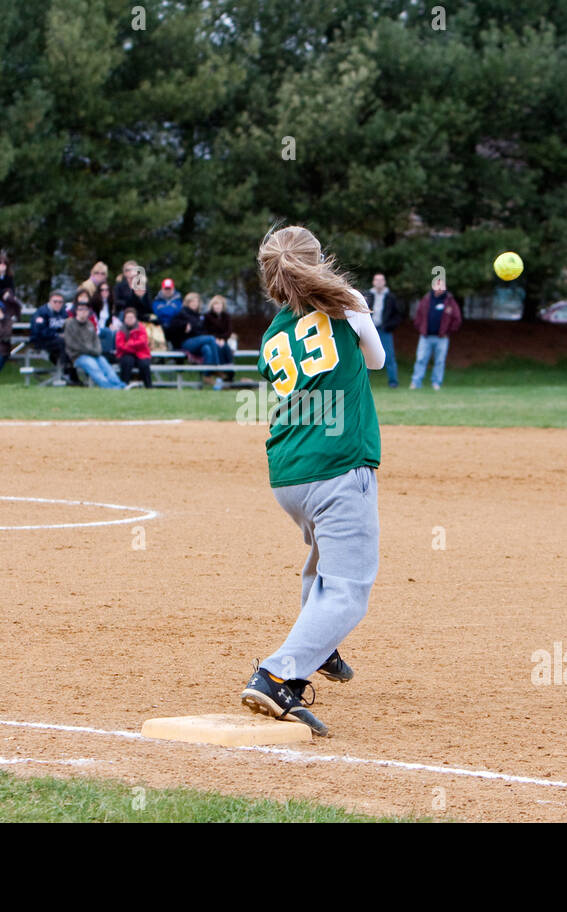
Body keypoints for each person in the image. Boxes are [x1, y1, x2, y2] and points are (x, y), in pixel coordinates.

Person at [239, 226, 386, 737]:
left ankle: (319, 645)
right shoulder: (345, 304)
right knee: (348, 588)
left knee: (324, 561)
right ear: (318, 264)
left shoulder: (272, 334)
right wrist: (359, 308)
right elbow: (377, 361)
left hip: (289, 474)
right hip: (340, 465)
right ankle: (280, 675)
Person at [410, 275, 462, 390]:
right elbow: (418, 316)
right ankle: (416, 382)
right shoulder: (426, 299)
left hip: (442, 338)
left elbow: (457, 318)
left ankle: (436, 383)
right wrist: (421, 328)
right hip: (425, 337)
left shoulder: (450, 301)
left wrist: (448, 331)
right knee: (421, 359)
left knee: (439, 361)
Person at [167, 292, 225, 389]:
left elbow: (202, 331)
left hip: (198, 341)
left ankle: (207, 376)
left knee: (207, 348)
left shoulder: (199, 316)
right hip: (186, 342)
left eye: (196, 302)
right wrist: (184, 326)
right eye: (192, 301)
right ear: (187, 302)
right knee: (211, 339)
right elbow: (172, 328)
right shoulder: (182, 313)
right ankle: (215, 367)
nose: (194, 303)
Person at [62, 300, 126, 388]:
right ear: (76, 311)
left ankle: (120, 385)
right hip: (78, 356)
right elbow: (72, 344)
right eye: (81, 310)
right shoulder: (70, 324)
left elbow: (96, 341)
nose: (83, 312)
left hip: (94, 354)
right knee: (94, 368)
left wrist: (97, 351)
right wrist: (91, 351)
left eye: (85, 310)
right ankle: (110, 387)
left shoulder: (90, 324)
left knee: (106, 366)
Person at [364, 273, 402, 388]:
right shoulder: (367, 296)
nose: (379, 282)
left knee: (389, 356)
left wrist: (389, 326)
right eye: (377, 280)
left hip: (384, 330)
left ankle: (393, 382)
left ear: (384, 282)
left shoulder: (390, 297)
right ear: (373, 282)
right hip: (370, 330)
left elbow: (398, 315)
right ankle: (364, 382)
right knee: (366, 356)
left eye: (381, 280)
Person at [30, 291, 70, 381]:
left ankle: (69, 372)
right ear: (50, 301)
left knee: (69, 342)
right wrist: (56, 334)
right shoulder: (41, 312)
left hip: (58, 341)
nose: (58, 304)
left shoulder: (63, 313)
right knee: (63, 343)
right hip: (42, 341)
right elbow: (39, 331)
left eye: (60, 302)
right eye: (55, 301)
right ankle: (66, 369)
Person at [115, 306, 153, 388]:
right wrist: (133, 347)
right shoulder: (121, 329)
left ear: (135, 318)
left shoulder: (141, 328)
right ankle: (124, 385)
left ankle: (149, 386)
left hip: (141, 353)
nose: (129, 319)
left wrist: (130, 344)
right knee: (127, 362)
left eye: (131, 317)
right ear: (124, 318)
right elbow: (120, 345)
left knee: (144, 364)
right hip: (126, 353)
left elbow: (143, 342)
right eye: (127, 317)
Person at [203, 294, 236, 379]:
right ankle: (221, 371)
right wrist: (216, 339)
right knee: (220, 347)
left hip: (224, 340)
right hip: (212, 340)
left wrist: (222, 339)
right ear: (212, 305)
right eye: (215, 304)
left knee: (225, 347)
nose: (217, 306)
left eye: (219, 304)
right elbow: (206, 331)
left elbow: (229, 331)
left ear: (223, 305)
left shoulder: (227, 316)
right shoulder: (207, 316)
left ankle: (229, 370)